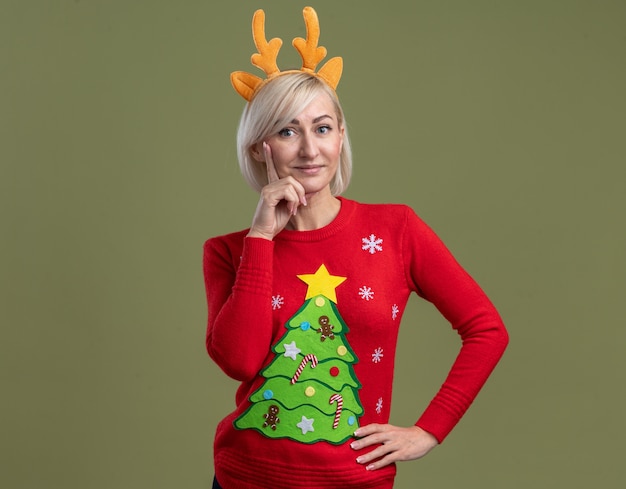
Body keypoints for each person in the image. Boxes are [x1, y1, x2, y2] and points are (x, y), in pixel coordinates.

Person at [203, 7, 508, 489]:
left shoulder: (395, 229)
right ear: (261, 147)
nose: (309, 149)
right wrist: (260, 238)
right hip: (245, 477)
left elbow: (487, 329)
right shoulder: (230, 251)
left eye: (322, 128)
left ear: (340, 136)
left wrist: (429, 430)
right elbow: (238, 361)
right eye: (287, 131)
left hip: (354, 481)